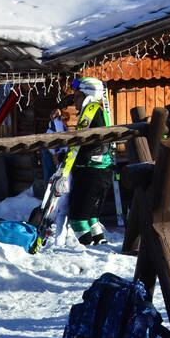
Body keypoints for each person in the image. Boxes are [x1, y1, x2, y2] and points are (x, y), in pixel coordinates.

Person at [66, 77, 115, 247]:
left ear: (87, 95)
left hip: (90, 171)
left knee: (78, 221)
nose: (74, 100)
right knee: (92, 219)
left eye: (77, 96)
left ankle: (89, 252)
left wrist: (66, 159)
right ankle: (101, 248)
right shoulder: (100, 111)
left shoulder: (90, 109)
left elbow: (79, 142)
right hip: (102, 171)